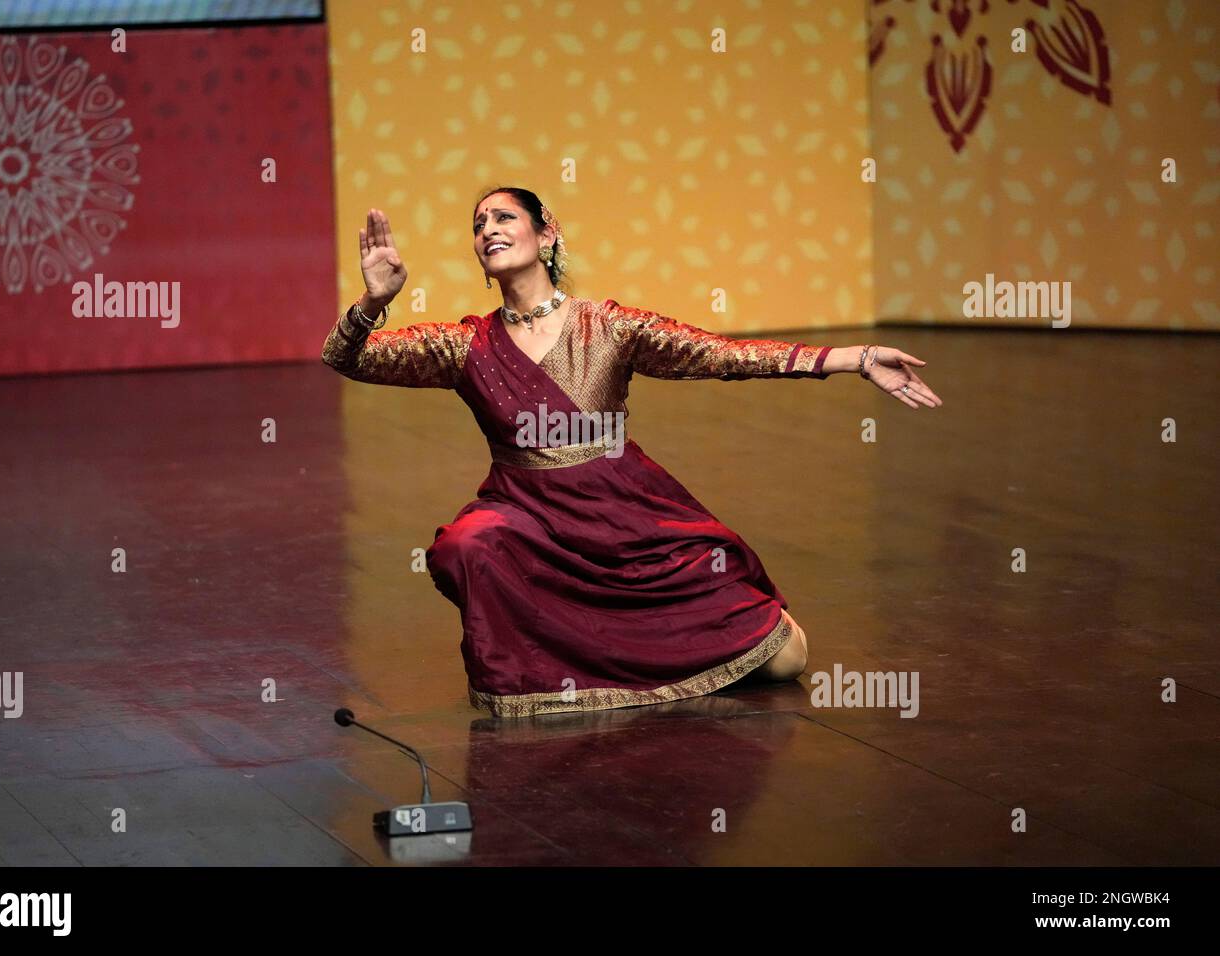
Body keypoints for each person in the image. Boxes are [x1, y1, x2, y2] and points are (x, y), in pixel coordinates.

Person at [322, 186, 942, 718]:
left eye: (503, 216)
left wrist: (856, 359)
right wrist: (374, 302)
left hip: (624, 512)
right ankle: (555, 675)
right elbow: (345, 357)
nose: (488, 229)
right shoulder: (464, 345)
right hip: (531, 514)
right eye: (478, 225)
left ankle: (646, 661)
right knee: (467, 545)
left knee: (786, 661)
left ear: (548, 233)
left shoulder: (608, 326)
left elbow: (721, 355)